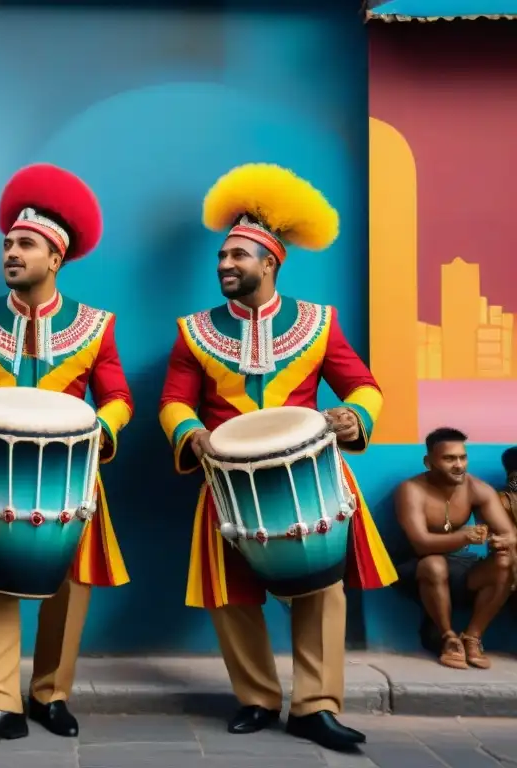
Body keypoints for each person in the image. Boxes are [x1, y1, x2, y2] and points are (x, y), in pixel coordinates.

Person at [158, 163, 397, 753]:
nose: (224, 266)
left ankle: (315, 707)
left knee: (322, 592)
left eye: (237, 257)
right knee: (230, 594)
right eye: (221, 258)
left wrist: (355, 417)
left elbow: (365, 386)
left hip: (312, 480)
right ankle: (257, 698)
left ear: (270, 263)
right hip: (225, 484)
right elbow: (172, 401)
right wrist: (192, 436)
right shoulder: (193, 332)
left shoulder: (320, 324)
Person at [0, 164, 133, 752]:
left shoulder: (97, 327)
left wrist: (98, 429)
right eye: (8, 244)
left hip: (74, 477)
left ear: (55, 257)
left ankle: (50, 693)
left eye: (25, 245)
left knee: (70, 586)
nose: (11, 254)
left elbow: (118, 400)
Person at [393, 428, 516, 669]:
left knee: (504, 562)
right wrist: (465, 537)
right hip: (414, 567)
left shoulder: (476, 488)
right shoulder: (411, 490)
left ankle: (472, 637)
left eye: (462, 457)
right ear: (429, 462)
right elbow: (421, 543)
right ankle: (448, 638)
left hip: (459, 566)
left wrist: (503, 542)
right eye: (449, 459)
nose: (458, 465)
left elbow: (509, 533)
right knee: (433, 564)